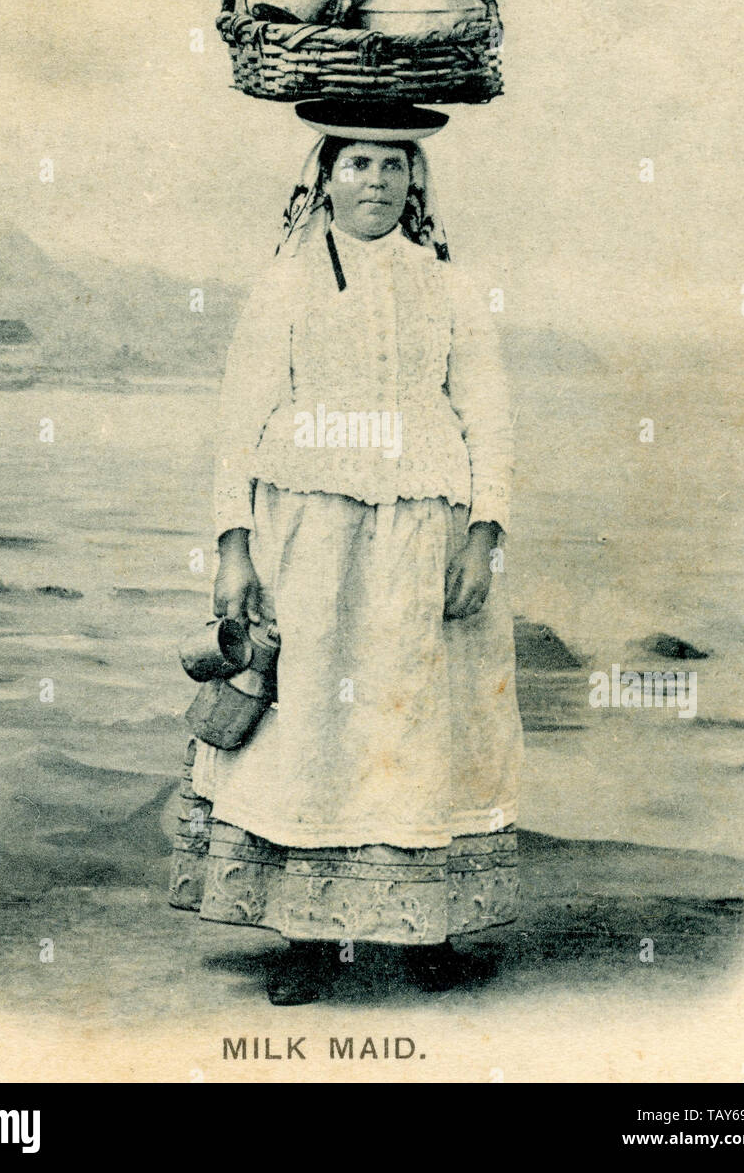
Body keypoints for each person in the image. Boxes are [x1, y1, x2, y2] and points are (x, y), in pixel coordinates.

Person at [189, 99, 523, 1004]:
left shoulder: (448, 285)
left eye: (391, 164)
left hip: (423, 532)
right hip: (309, 529)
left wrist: (482, 537)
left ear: (416, 179)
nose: (374, 181)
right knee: (313, 723)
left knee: (417, 719)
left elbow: (486, 416)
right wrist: (234, 550)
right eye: (356, 163)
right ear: (325, 175)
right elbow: (237, 423)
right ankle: (303, 934)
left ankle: (424, 927)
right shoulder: (286, 282)